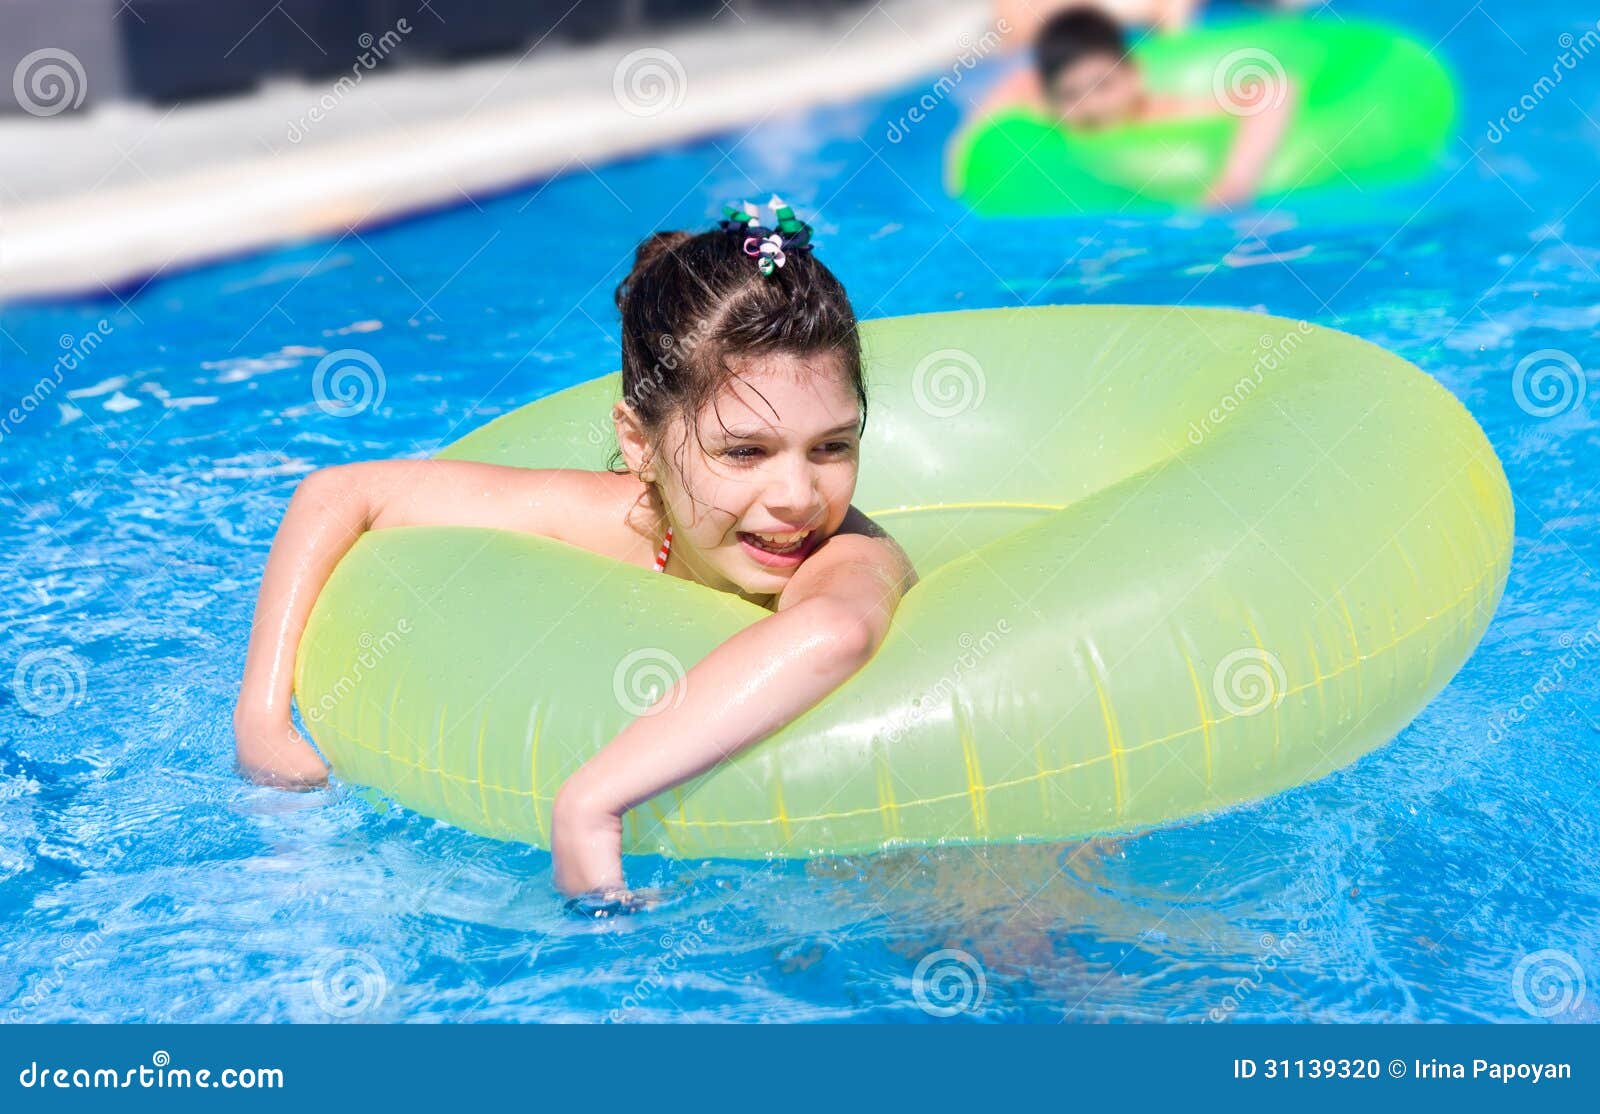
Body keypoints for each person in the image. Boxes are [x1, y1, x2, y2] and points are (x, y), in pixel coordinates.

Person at [231, 198, 917, 910]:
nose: (798, 497)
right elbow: (340, 495)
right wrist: (262, 718)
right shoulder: (616, 517)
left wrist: (592, 799)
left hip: (889, 881)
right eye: (745, 451)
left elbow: (832, 630)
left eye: (832, 446)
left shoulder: (846, 555)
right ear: (639, 444)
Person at [983, 6, 1295, 208]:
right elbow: (1013, 90)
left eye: (1103, 85)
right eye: (1070, 95)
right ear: (1050, 99)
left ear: (1134, 75)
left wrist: (1234, 183)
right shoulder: (1048, 125)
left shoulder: (1166, 112)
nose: (1090, 106)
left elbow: (1276, 87)